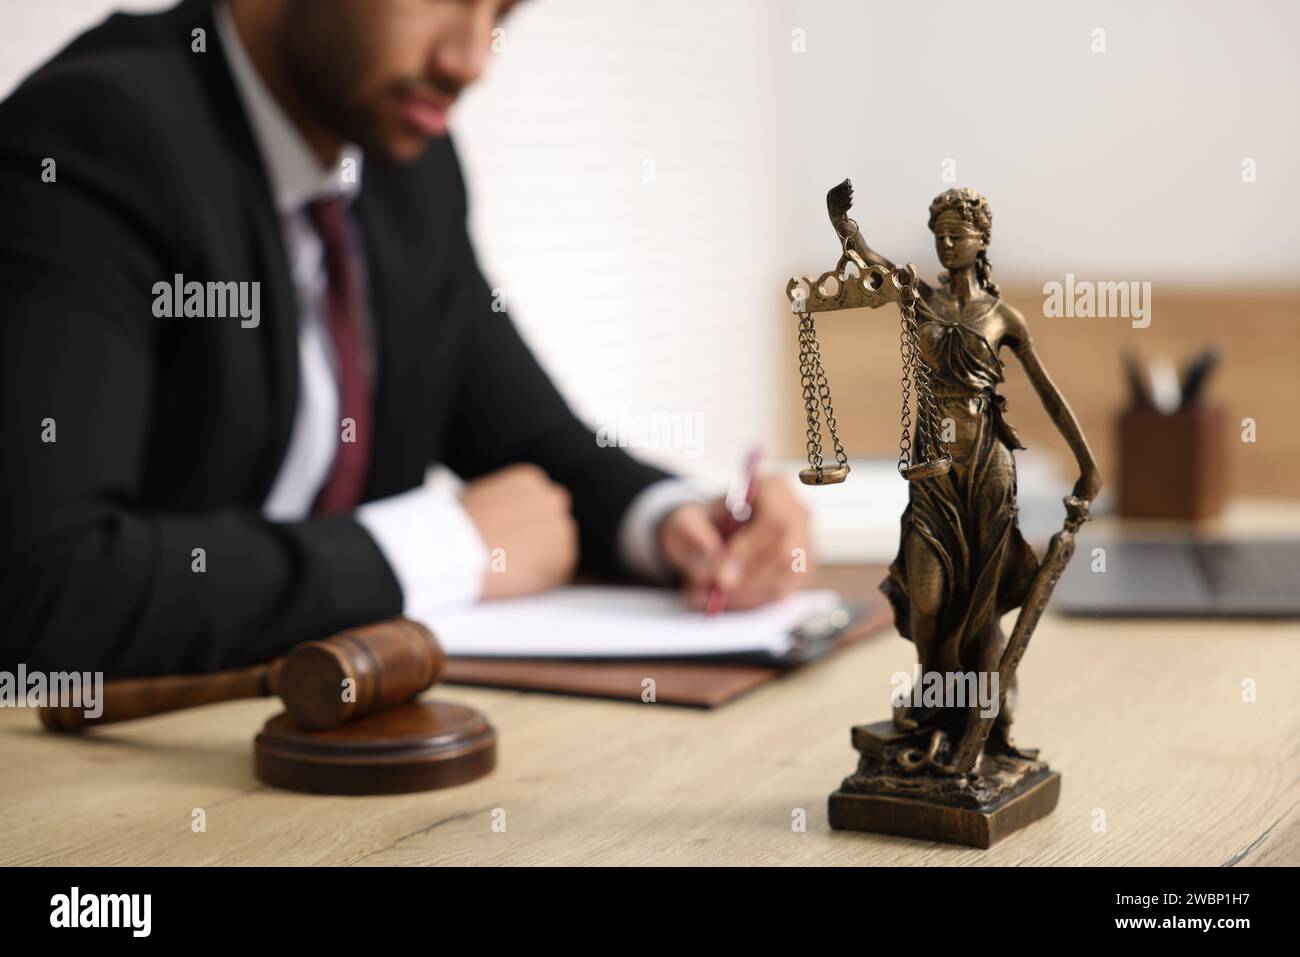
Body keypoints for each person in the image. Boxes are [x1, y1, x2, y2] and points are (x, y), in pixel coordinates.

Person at [0, 0, 810, 678]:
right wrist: (443, 544)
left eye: (502, 11)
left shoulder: (405, 166)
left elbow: (533, 443)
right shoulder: (91, 138)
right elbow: (44, 582)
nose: (470, 59)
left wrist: (681, 525)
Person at [828, 185, 1101, 756]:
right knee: (927, 596)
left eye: (958, 233)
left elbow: (1048, 394)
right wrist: (843, 225)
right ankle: (935, 699)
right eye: (940, 233)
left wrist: (1087, 463)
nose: (947, 242)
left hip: (986, 470)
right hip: (932, 472)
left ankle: (978, 718)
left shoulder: (1003, 317)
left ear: (982, 240)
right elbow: (873, 265)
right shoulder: (919, 300)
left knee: (980, 603)